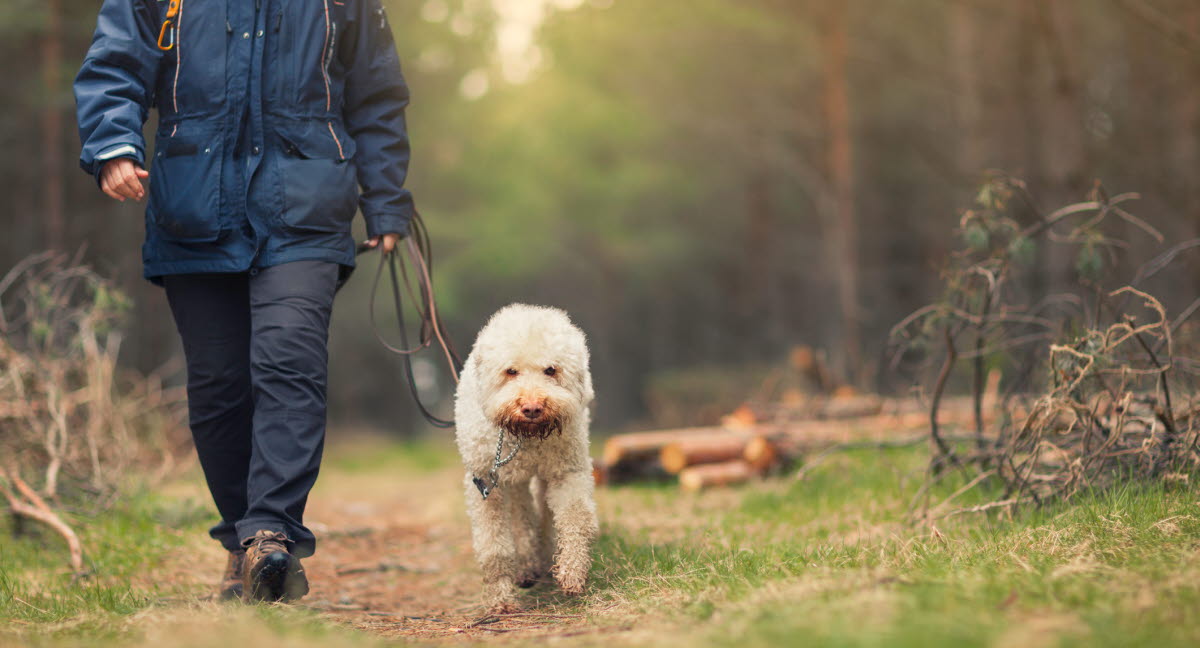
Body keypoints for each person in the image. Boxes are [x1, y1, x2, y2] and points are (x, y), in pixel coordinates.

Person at [74, 0, 415, 602]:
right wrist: (112, 144)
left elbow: (376, 93)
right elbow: (115, 63)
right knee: (217, 386)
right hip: (192, 205)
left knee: (289, 362)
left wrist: (386, 200)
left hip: (305, 210)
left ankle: (271, 533)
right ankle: (245, 541)